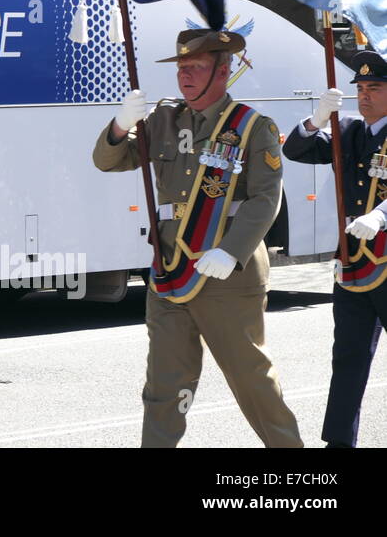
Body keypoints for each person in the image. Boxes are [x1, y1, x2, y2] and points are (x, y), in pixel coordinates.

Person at [93, 28, 302, 447]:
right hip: (171, 268)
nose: (185, 76)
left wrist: (230, 251)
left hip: (227, 274)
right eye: (182, 68)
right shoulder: (164, 119)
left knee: (250, 381)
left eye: (196, 67)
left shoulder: (252, 127)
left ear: (223, 72)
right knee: (163, 388)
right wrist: (119, 126)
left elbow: (265, 200)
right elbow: (108, 162)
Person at [283, 49, 387, 447]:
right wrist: (316, 118)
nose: (364, 96)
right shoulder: (346, 131)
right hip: (355, 265)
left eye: (374, 88)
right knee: (348, 359)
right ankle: (340, 442)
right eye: (360, 88)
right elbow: (296, 150)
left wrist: (380, 215)